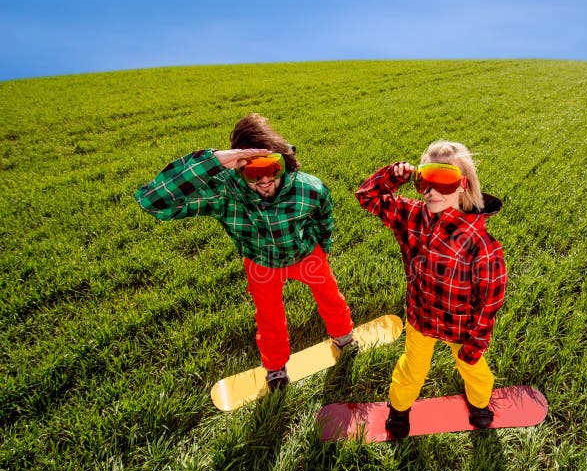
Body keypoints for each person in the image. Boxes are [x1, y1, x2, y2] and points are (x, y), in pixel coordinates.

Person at [135, 113, 355, 390]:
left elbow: (324, 217)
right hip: (261, 263)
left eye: (272, 168)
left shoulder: (308, 188)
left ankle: (344, 337)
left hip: (306, 255)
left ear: (283, 161)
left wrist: (323, 246)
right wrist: (213, 161)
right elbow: (152, 201)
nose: (264, 180)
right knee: (269, 316)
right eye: (252, 171)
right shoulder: (225, 193)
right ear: (237, 167)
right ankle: (275, 368)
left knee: (330, 297)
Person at [356, 140, 507, 439]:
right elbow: (367, 196)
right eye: (425, 179)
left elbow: (489, 302)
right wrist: (393, 176)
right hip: (421, 319)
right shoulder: (412, 216)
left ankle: (479, 405)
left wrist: (474, 344)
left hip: (461, 328)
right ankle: (399, 409)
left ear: (464, 185)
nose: (432, 191)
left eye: (445, 181)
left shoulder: (482, 245)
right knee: (412, 368)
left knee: (473, 369)